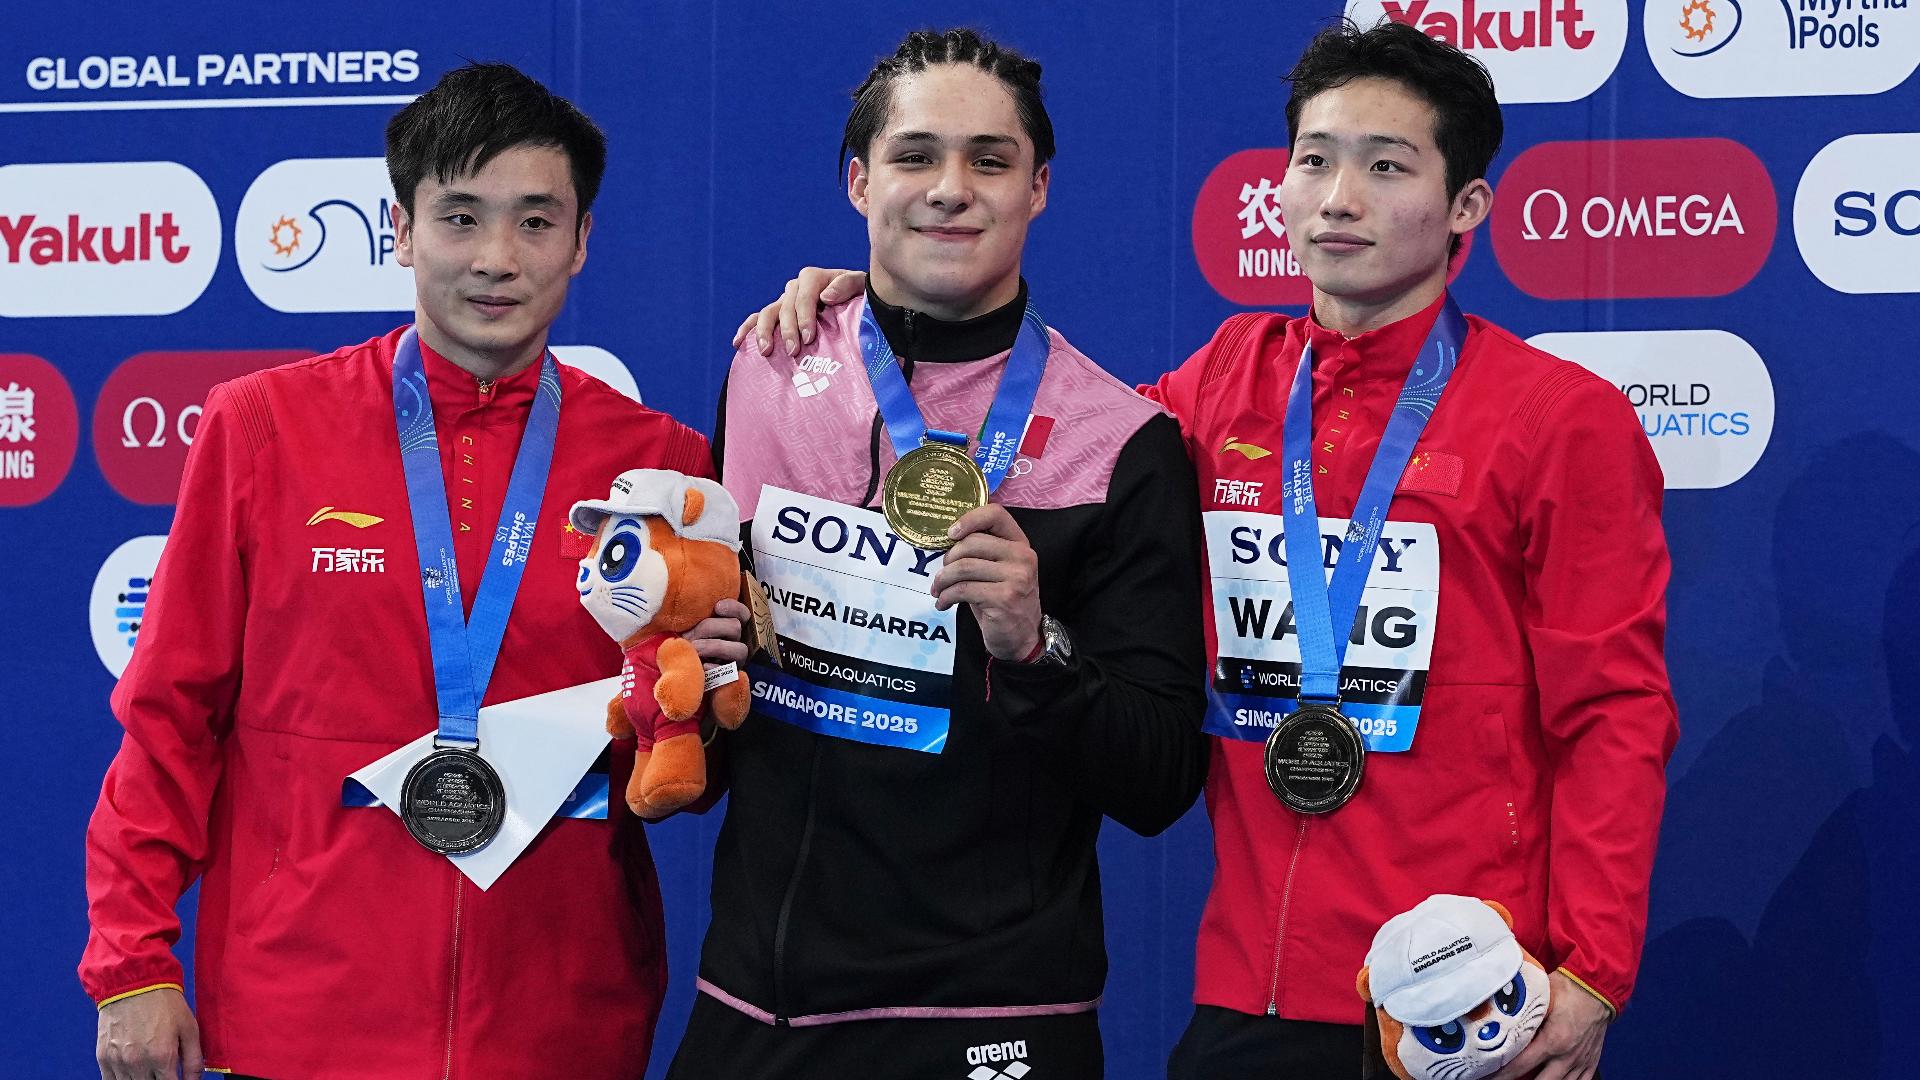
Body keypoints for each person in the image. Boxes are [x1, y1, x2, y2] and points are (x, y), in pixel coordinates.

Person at [743, 20, 1677, 1080]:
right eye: (1315, 159)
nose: (1339, 196)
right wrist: (887, 308)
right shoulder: (1229, 379)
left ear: (1467, 206)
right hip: (1250, 987)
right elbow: (1056, 427)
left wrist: (1592, 972)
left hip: (1459, 989)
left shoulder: (1561, 418)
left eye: (1387, 166)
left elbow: (1614, 711)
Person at [81, 63, 712, 1080]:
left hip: (561, 1024)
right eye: (460, 217)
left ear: (583, 240)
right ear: (402, 230)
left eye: (537, 222)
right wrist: (130, 964)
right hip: (300, 1019)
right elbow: (169, 715)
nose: (497, 259)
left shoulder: (663, 468)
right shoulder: (262, 430)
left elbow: (690, 752)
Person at [667, 28, 1209, 1080]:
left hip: (995, 1013)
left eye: (990, 161)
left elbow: (1159, 781)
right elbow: (722, 707)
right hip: (758, 1009)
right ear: (860, 181)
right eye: (916, 157)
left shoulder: (1120, 442)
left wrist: (1035, 644)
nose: (951, 189)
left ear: (1039, 188)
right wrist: (704, 660)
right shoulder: (768, 368)